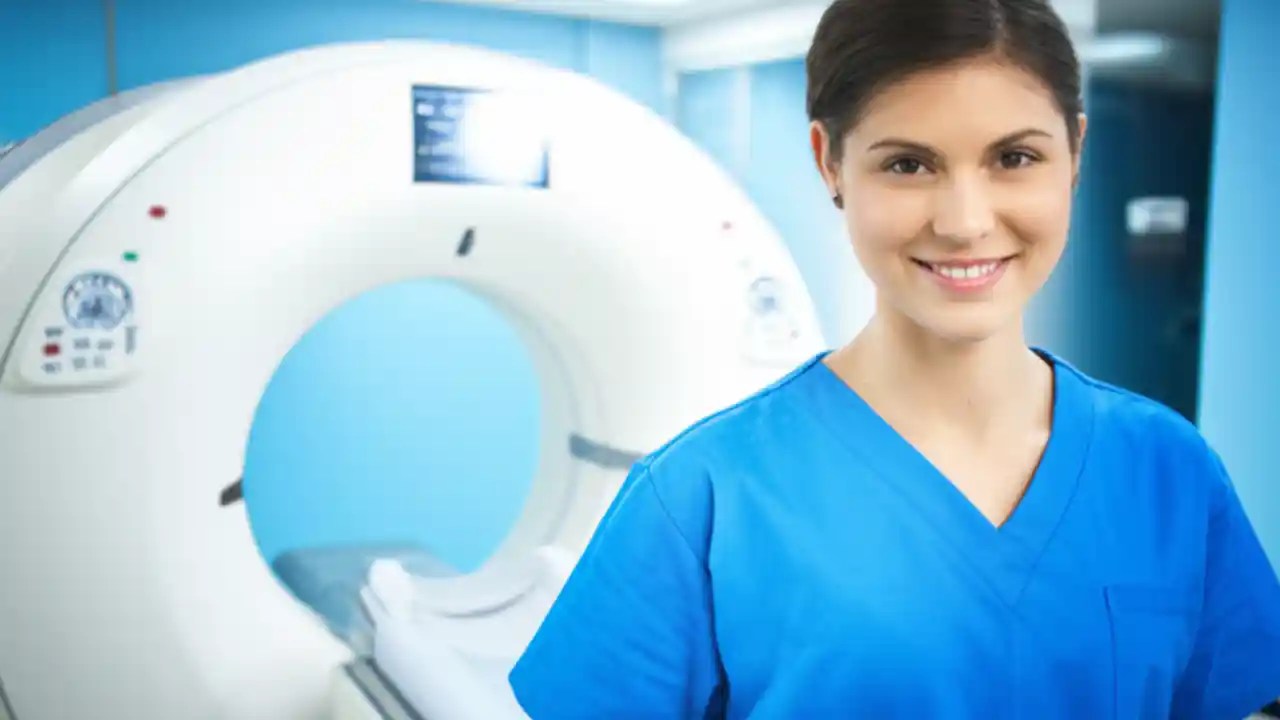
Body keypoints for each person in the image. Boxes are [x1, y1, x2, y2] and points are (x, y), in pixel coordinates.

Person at [507, 0, 1280, 717]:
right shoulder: (702, 498)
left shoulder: (1168, 470)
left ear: (1075, 151)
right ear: (830, 162)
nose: (965, 222)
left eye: (1015, 157)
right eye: (909, 164)